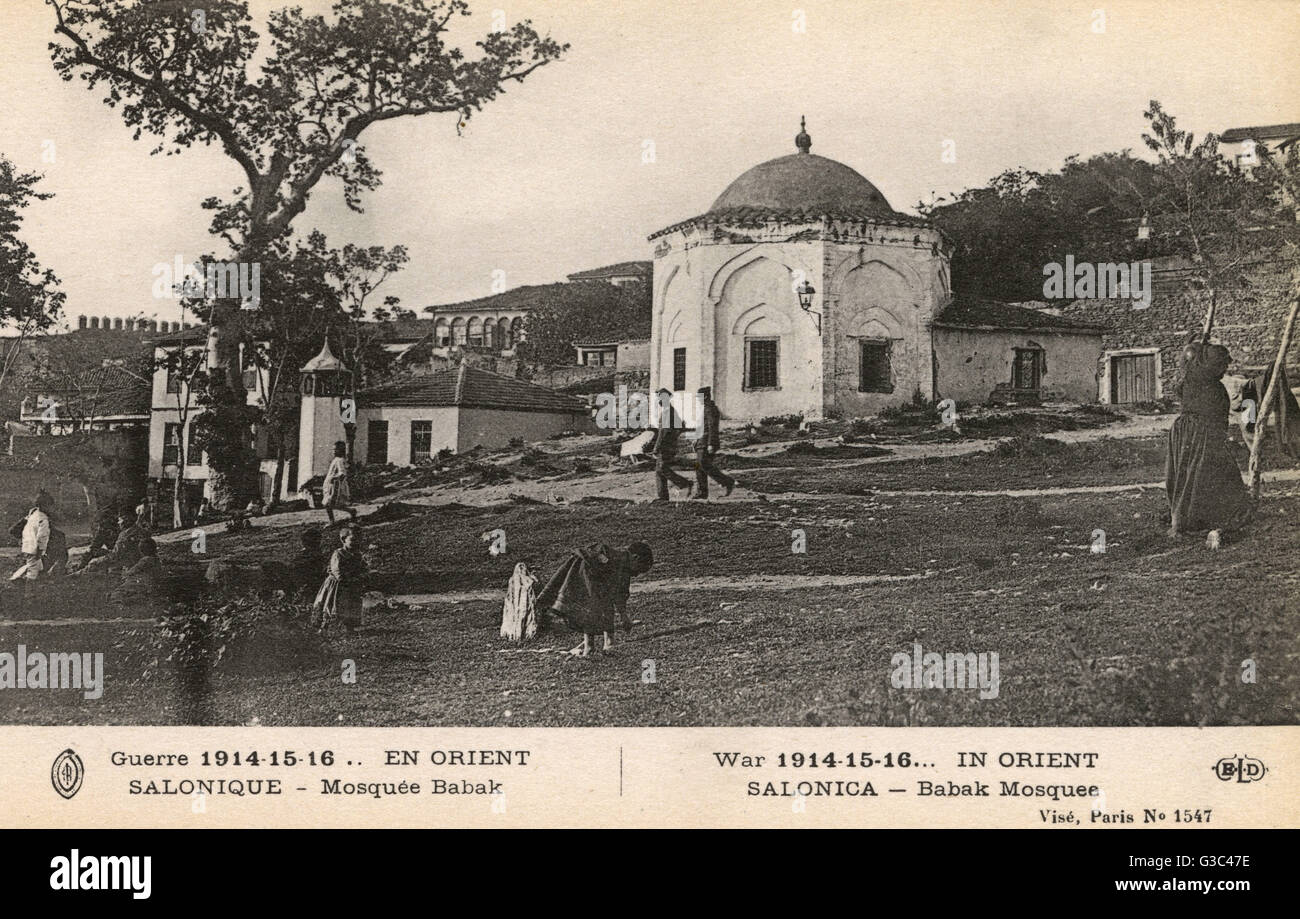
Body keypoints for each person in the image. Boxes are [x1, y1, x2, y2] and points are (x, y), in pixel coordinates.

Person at [1166, 342, 1253, 546]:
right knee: (1204, 475)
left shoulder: (1191, 377)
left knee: (1192, 476)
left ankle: (1192, 517)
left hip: (1187, 432)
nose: (1225, 369)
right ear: (1211, 365)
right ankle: (1198, 520)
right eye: (1221, 365)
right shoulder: (1208, 383)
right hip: (1201, 433)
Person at [535, 541, 654, 657]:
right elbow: (611, 593)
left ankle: (608, 644)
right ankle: (590, 647)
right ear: (635, 557)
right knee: (591, 609)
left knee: (604, 604)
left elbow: (620, 594)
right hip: (584, 575)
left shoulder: (624, 567)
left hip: (596, 582)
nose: (636, 574)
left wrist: (624, 617)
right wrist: (622, 616)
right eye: (639, 569)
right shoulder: (616, 559)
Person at [311, 525, 367, 634]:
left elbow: (362, 567)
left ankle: (349, 628)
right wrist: (346, 579)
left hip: (352, 584)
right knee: (331, 605)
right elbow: (337, 571)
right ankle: (323, 627)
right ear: (343, 540)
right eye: (353, 540)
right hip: (337, 585)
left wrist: (362, 575)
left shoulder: (358, 555)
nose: (356, 543)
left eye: (359, 540)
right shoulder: (339, 554)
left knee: (350, 605)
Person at [691, 386, 735, 500]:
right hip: (701, 442)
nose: (698, 399)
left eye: (699, 397)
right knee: (699, 467)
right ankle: (702, 492)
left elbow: (712, 428)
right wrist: (695, 440)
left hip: (706, 443)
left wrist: (711, 444)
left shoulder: (711, 409)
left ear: (705, 396)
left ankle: (727, 481)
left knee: (703, 465)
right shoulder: (706, 408)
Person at [650, 390, 693, 502]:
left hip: (665, 446)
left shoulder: (668, 413)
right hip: (670, 444)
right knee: (659, 470)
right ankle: (662, 497)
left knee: (662, 468)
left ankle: (685, 483)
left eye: (661, 398)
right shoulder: (671, 411)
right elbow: (681, 426)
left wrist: (656, 447)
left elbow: (663, 433)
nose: (659, 400)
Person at [323, 441, 357, 525]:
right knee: (332, 504)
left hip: (335, 486)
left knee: (328, 503)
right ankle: (351, 511)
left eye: (336, 450)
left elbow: (342, 473)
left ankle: (332, 521)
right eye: (333, 449)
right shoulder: (336, 460)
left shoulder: (339, 460)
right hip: (331, 485)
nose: (333, 451)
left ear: (341, 450)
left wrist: (334, 478)